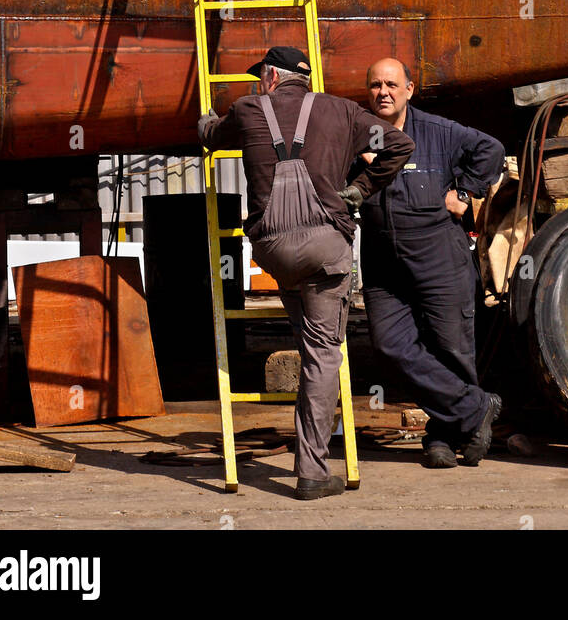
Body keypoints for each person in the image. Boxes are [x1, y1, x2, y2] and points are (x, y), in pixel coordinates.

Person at [199, 45, 414, 500]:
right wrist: (360, 188)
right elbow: (399, 144)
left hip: (275, 252)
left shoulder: (246, 110)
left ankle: (309, 448)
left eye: (262, 77)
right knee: (321, 357)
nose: (259, 84)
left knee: (307, 338)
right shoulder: (343, 112)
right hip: (324, 251)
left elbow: (213, 136)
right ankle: (312, 472)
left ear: (272, 79)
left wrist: (204, 123)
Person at [359, 57, 506, 468]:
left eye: (391, 84)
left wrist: (464, 193)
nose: (382, 92)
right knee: (390, 345)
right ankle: (476, 409)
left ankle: (441, 435)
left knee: (452, 348)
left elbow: (490, 149)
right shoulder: (361, 134)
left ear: (409, 89)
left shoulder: (440, 131)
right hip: (382, 258)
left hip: (438, 251)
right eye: (375, 85)